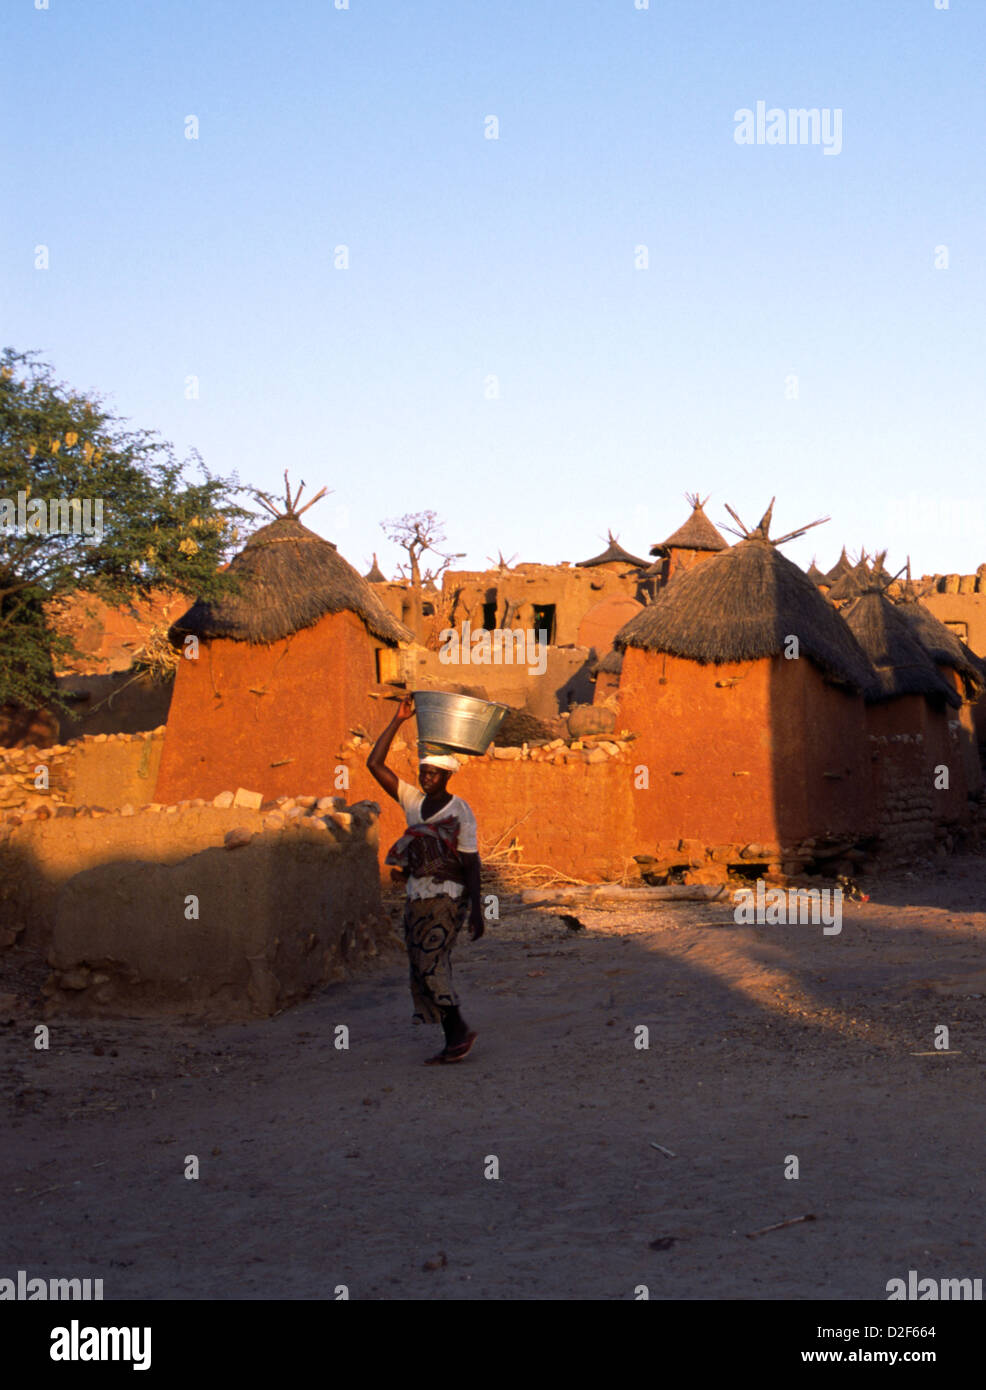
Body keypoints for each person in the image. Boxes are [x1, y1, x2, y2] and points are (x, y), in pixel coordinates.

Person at [368, 694, 483, 1065]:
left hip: (449, 897)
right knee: (420, 967)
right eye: (422, 772)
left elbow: (471, 862)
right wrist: (398, 719)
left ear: (447, 775)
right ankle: (455, 1036)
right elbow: (374, 762)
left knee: (432, 961)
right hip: (417, 896)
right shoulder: (413, 802)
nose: (425, 777)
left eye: (433, 773)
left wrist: (478, 910)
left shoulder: (460, 810)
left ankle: (459, 1032)